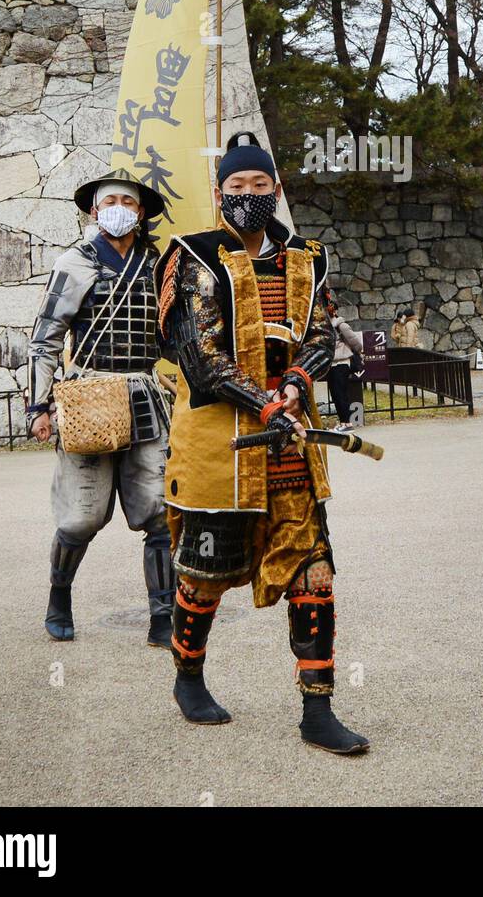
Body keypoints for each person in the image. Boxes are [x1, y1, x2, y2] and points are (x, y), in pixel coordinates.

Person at [155, 131, 370, 755]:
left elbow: (325, 333)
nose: (247, 196)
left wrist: (299, 382)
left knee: (315, 568)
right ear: (219, 193)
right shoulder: (190, 256)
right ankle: (189, 678)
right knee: (204, 571)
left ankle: (318, 709)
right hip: (220, 443)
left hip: (292, 443)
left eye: (259, 185)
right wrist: (265, 402)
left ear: (275, 189)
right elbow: (199, 356)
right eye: (235, 187)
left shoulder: (308, 257)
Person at [26, 168, 174, 648]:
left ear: (142, 212)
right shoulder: (75, 262)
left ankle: (162, 615)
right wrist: (38, 405)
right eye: (110, 200)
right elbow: (44, 340)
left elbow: (177, 334)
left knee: (159, 512)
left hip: (144, 395)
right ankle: (59, 596)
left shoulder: (161, 264)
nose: (119, 209)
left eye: (129, 203)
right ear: (94, 210)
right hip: (88, 394)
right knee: (81, 518)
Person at [324, 290, 363, 432]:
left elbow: (356, 343)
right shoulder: (325, 328)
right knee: (336, 394)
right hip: (332, 364)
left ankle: (347, 423)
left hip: (341, 363)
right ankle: (343, 422)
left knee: (340, 393)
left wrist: (354, 352)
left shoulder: (341, 325)